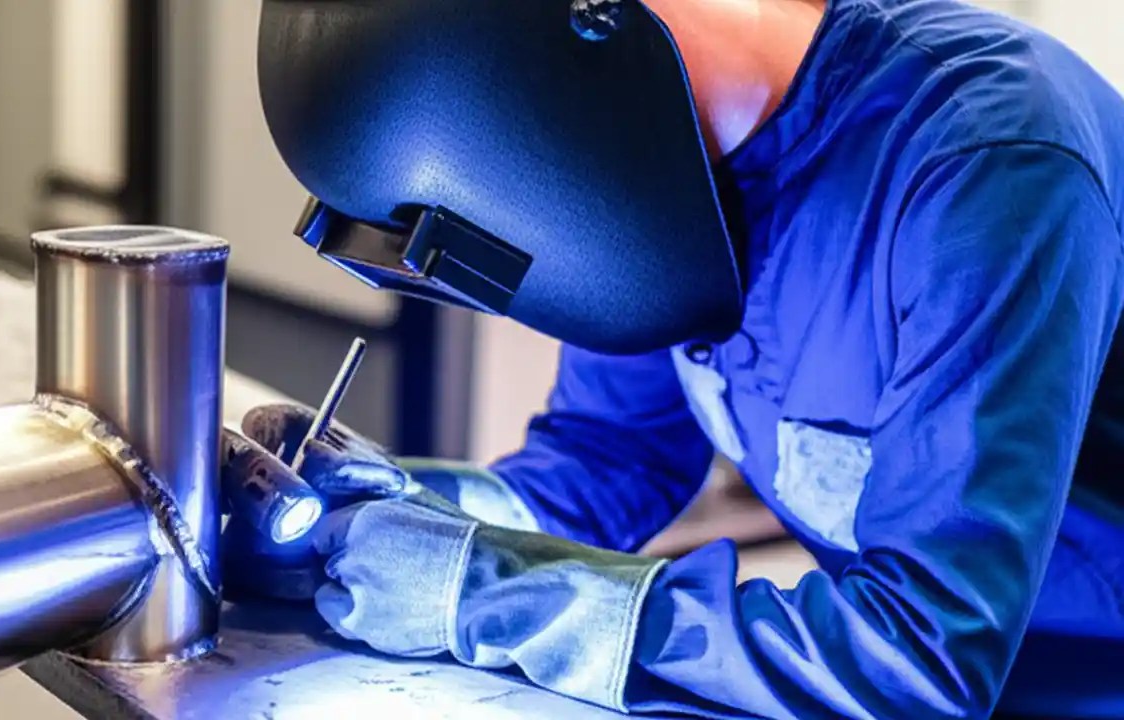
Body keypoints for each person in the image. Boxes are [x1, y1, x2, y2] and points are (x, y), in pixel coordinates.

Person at [225, 0, 1124, 717]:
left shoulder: (987, 160)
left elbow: (918, 660)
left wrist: (477, 590)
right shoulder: (663, 178)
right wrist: (382, 510)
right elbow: (604, 464)